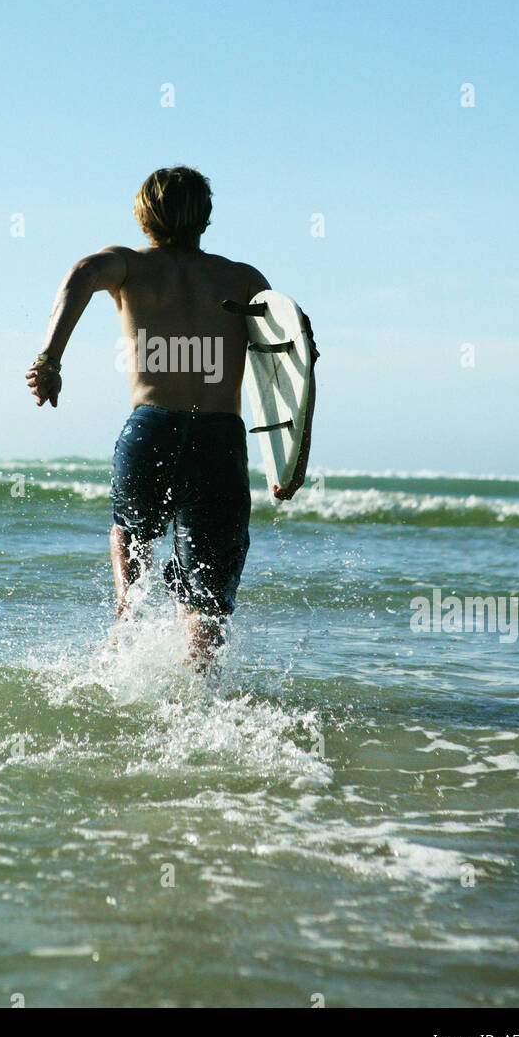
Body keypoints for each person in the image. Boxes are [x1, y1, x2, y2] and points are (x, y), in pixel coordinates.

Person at [27, 166, 315, 670]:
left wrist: (50, 360)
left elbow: (79, 275)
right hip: (219, 440)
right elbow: (289, 363)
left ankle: (125, 620)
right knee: (206, 607)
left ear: (144, 216)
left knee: (131, 532)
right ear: (205, 218)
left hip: (151, 429)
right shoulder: (242, 278)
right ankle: (198, 705)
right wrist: (288, 462)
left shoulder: (129, 267)